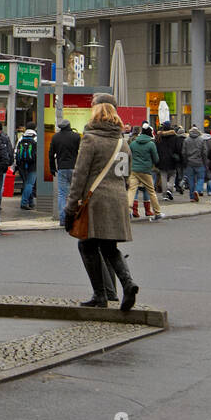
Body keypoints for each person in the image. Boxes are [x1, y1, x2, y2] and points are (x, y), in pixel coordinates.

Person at [64, 95, 139, 311]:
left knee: (86, 245)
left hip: (95, 201)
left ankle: (100, 295)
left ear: (95, 113)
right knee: (109, 247)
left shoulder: (90, 139)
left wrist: (71, 207)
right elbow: (126, 174)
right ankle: (128, 282)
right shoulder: (122, 142)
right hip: (117, 199)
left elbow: (79, 175)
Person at [49, 118, 81, 225]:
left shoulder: (55, 137)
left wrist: (52, 167)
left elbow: (51, 154)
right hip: (75, 167)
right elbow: (81, 153)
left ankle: (63, 219)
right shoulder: (76, 136)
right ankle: (75, 217)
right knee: (75, 193)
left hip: (62, 168)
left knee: (62, 194)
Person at [127, 123, 162, 220]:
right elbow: (156, 159)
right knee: (151, 191)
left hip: (134, 170)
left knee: (131, 190)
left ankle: (128, 211)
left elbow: (129, 156)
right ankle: (157, 212)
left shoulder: (133, 143)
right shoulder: (151, 144)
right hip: (146, 170)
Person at [181, 126, 209, 202]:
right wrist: (205, 162)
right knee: (201, 178)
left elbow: (183, 152)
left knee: (191, 180)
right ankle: (197, 190)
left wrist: (185, 161)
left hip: (189, 162)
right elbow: (204, 152)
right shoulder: (201, 140)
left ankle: (192, 197)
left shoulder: (186, 140)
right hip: (199, 162)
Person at [14, 124, 39, 209]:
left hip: (22, 165)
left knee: (27, 183)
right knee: (30, 183)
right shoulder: (36, 138)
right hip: (33, 164)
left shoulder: (22, 137)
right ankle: (24, 203)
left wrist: (16, 164)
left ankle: (31, 202)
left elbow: (16, 151)